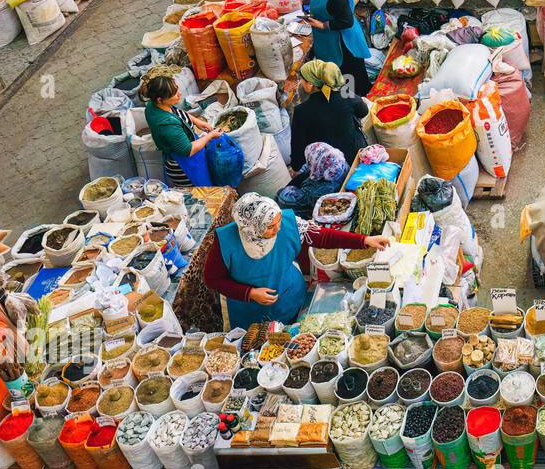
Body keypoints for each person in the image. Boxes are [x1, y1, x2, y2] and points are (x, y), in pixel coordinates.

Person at [204, 194, 391, 327]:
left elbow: (323, 237)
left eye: (278, 221)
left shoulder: (287, 223)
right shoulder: (226, 242)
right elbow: (212, 280)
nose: (278, 228)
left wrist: (364, 240)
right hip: (251, 312)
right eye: (269, 226)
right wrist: (249, 293)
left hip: (291, 295)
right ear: (251, 227)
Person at [307, 0, 372, 98]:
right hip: (330, 38)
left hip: (343, 43)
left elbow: (346, 21)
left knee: (350, 79)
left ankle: (355, 105)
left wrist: (322, 25)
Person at [142, 72, 224, 188]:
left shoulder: (153, 104)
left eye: (176, 90)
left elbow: (176, 112)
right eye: (174, 94)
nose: (179, 94)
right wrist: (210, 136)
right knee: (202, 193)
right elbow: (188, 150)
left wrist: (197, 122)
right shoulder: (167, 125)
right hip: (184, 167)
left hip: (191, 155)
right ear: (160, 99)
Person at [289, 60, 368, 172]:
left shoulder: (301, 111)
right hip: (357, 157)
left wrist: (296, 166)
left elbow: (297, 158)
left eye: (302, 79)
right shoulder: (345, 95)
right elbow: (364, 111)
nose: (300, 82)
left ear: (310, 83)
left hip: (330, 169)